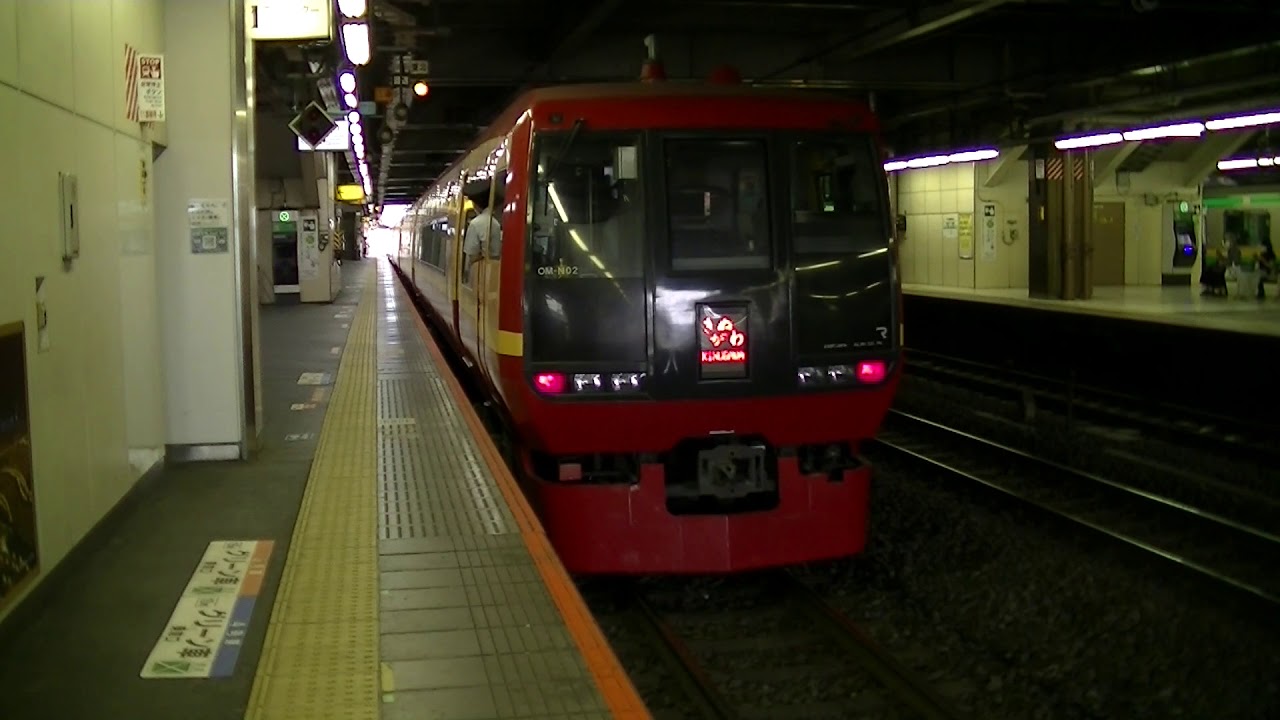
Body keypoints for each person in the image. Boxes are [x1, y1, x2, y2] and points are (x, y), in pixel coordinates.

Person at [462, 188, 501, 283]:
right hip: (495, 273)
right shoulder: (496, 223)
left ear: (476, 205)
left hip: (479, 277)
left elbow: (472, 256)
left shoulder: (476, 223)